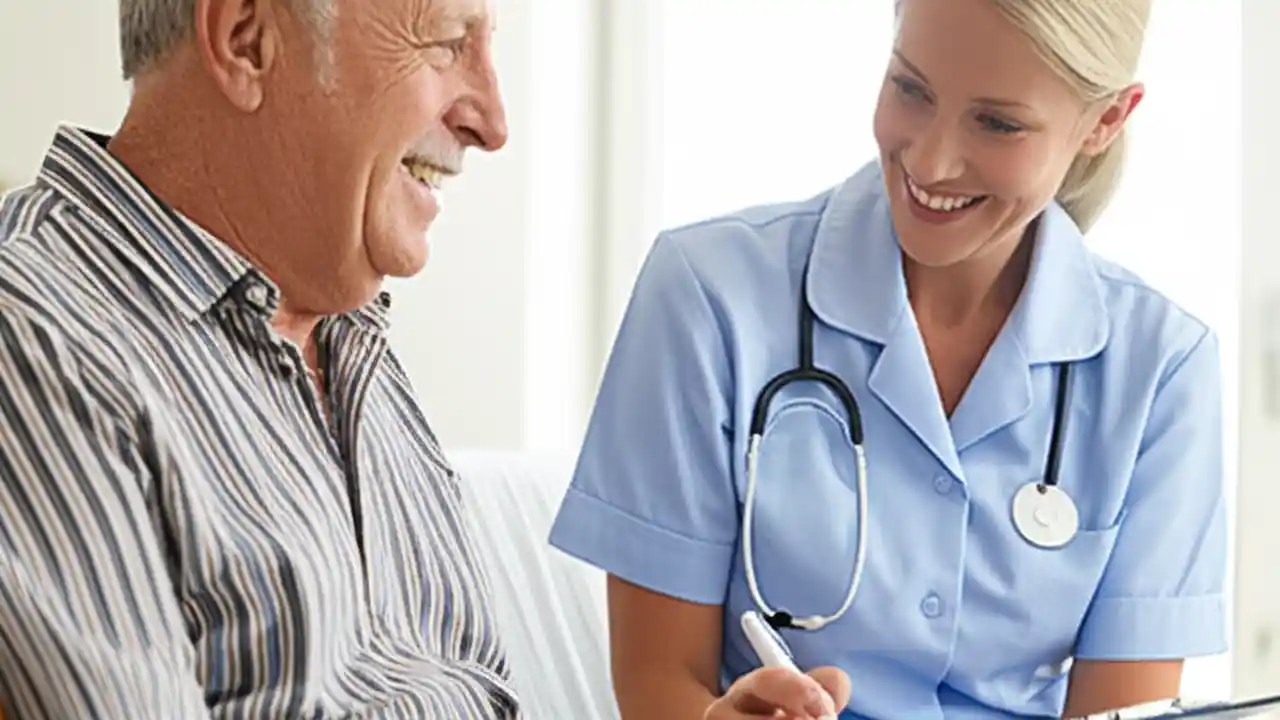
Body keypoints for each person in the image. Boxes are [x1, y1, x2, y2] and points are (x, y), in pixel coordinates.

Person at [549, 0, 1227, 718]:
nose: (930, 161)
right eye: (911, 89)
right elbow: (658, 683)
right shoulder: (707, 296)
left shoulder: (1163, 370)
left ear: (1105, 121)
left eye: (997, 124)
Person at [0, 0, 514, 717]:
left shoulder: (346, 335)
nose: (492, 123)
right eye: (446, 42)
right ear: (245, 42)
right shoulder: (40, 330)